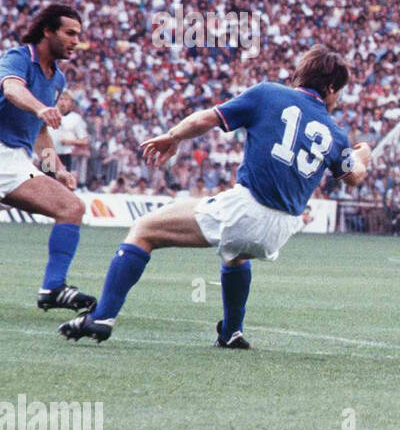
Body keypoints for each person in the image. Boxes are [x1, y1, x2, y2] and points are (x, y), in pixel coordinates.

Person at [60, 45, 371, 345]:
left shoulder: (269, 94)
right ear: (331, 87)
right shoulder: (335, 132)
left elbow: (206, 119)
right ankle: (232, 331)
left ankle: (102, 317)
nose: (338, 98)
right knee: (236, 254)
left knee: (143, 229)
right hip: (282, 228)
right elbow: (354, 177)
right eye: (339, 91)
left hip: (247, 208)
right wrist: (364, 155)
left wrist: (173, 136)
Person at [0, 4, 97, 314]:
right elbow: (13, 90)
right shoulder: (19, 58)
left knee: (70, 207)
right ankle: (52, 287)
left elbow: (40, 132)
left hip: (14, 160)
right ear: (48, 31)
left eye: (78, 35)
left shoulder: (57, 80)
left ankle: (53, 288)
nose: (75, 41)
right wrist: (39, 107)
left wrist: (58, 170)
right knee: (71, 207)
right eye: (70, 33)